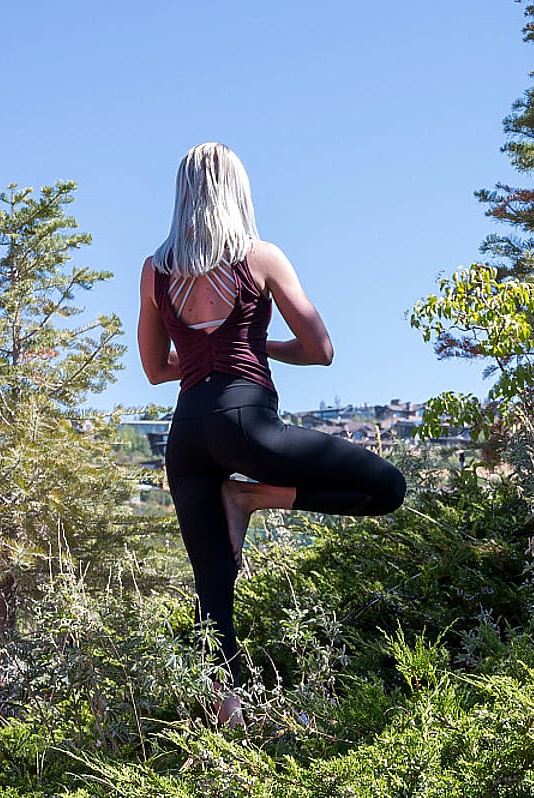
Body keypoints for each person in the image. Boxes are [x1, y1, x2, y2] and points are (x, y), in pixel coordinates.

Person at [137, 143, 407, 726]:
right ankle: (255, 494)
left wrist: (201, 353)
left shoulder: (156, 270)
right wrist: (256, 346)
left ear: (182, 195)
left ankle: (227, 717)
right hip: (245, 422)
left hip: (185, 435)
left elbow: (156, 370)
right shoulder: (260, 257)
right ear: (237, 192)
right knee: (387, 487)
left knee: (213, 585)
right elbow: (321, 350)